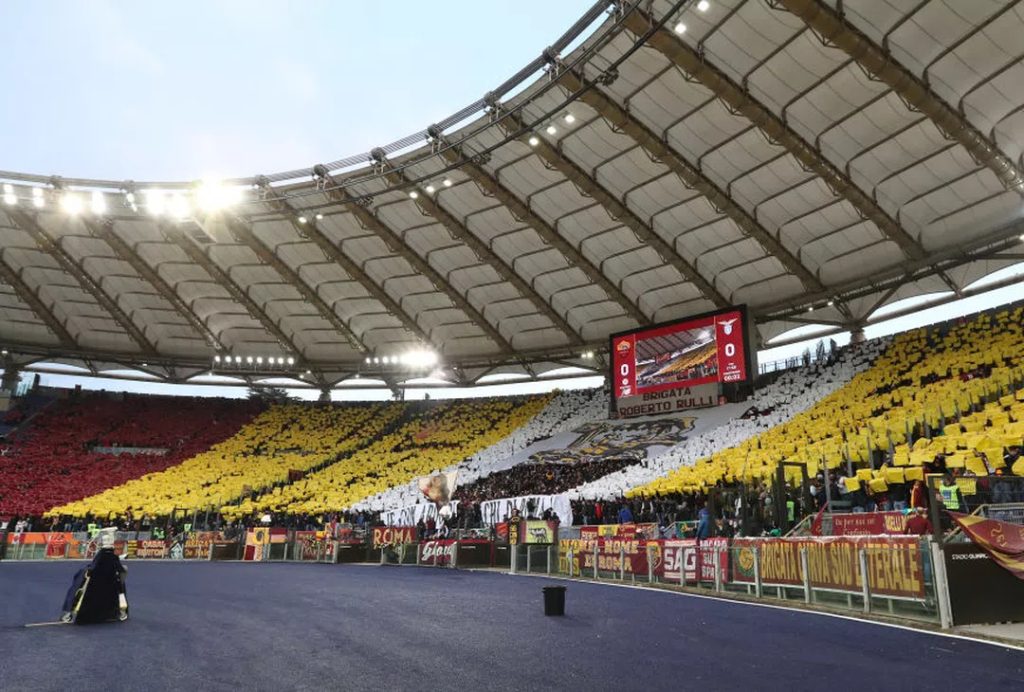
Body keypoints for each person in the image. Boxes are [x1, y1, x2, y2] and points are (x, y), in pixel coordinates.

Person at [61, 528, 128, 624]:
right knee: (120, 588)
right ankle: (122, 611)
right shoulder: (113, 556)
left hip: (95, 583)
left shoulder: (101, 555)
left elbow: (93, 567)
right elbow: (120, 568)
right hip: (111, 583)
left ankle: (68, 612)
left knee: (78, 586)